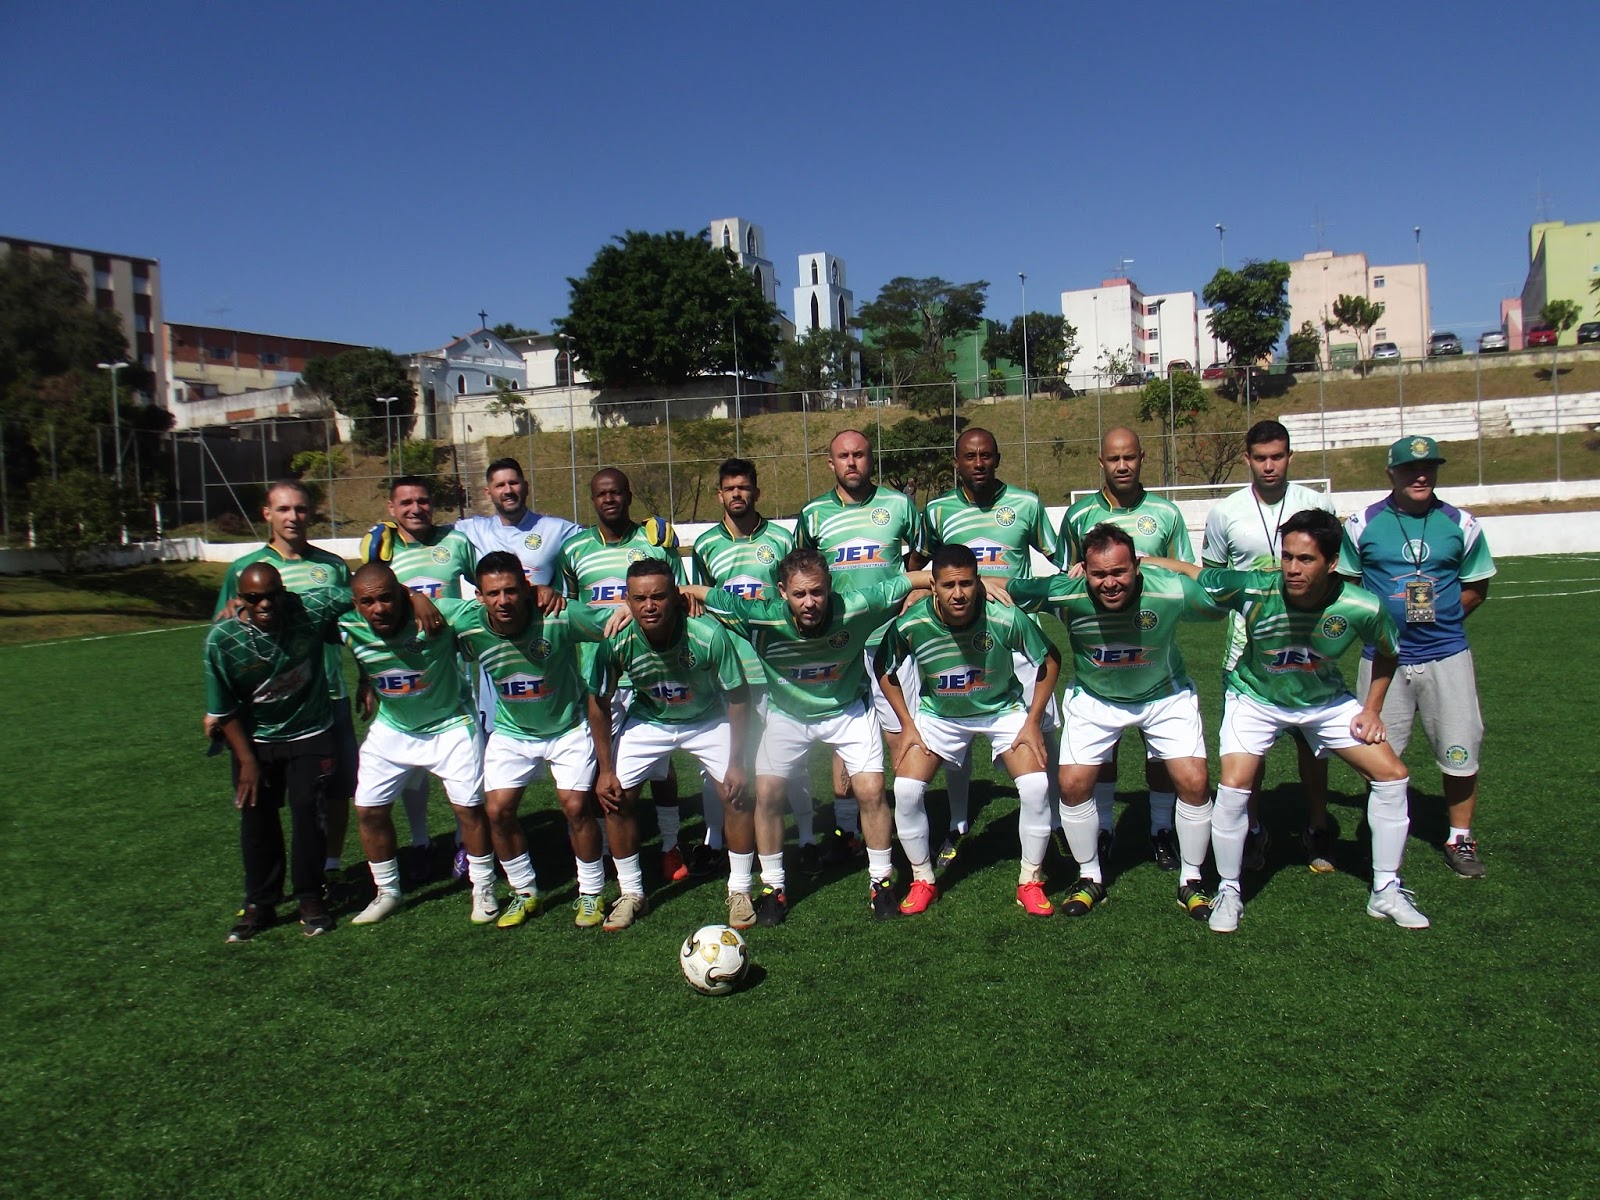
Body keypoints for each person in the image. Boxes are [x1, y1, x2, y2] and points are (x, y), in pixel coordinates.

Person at [1147, 509, 1430, 933]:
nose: (1293, 569)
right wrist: (1142, 561)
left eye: (1306, 559)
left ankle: (1386, 890)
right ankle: (1228, 889)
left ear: (1332, 563)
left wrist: (1371, 709)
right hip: (1255, 697)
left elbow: (1388, 649)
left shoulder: (1361, 605)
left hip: (1325, 700)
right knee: (1233, 786)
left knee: (1392, 776)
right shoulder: (1256, 587)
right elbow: (1196, 573)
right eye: (1288, 557)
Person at [690, 549, 948, 924]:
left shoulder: (857, 606)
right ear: (782, 592)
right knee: (767, 794)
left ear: (829, 587)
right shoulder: (758, 616)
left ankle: (881, 883)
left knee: (872, 790)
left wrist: (959, 584)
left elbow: (913, 579)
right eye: (799, 595)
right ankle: (773, 887)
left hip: (846, 711)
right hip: (788, 715)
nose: (809, 603)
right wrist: (680, 594)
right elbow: (702, 593)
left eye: (817, 592)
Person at [1011, 525, 1225, 921]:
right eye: (1099, 574)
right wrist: (927, 583)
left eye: (1120, 572)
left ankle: (1191, 880)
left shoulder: (1169, 590)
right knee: (1073, 784)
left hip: (1165, 695)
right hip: (1096, 697)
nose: (1110, 584)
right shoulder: (1065, 591)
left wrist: (1166, 563)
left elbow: (1219, 588)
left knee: (1194, 780)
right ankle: (1089, 876)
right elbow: (1002, 585)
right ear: (1084, 571)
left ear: (1137, 568)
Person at [1338, 436, 1496, 877]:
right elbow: (1347, 587)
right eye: (1409, 468)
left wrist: (1442, 617)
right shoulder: (1362, 524)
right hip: (1381, 657)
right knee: (1374, 750)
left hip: (1447, 653)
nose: (1420, 475)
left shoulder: (1461, 524)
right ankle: (1383, 832)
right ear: (1391, 473)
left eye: (1429, 468)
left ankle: (1460, 838)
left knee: (1460, 748)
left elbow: (1477, 587)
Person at [875, 544, 1061, 916]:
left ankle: (1031, 880)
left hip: (1001, 710)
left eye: (966, 583)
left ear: (978, 582)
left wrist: (1032, 721)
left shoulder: (1004, 617)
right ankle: (923, 878)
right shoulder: (911, 623)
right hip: (939, 715)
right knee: (908, 791)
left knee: (1037, 786)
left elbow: (1050, 659)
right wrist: (908, 725)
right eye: (948, 585)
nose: (958, 593)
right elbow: (884, 667)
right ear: (932, 585)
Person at [921, 426, 1063, 870]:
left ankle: (1052, 820)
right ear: (957, 462)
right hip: (959, 639)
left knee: (1044, 729)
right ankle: (959, 824)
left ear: (997, 459)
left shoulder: (1026, 504)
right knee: (958, 730)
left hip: (1016, 638)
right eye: (969, 456)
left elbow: (1060, 563)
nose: (978, 463)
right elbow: (924, 571)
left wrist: (1013, 587)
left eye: (986, 456)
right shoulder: (938, 510)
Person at [1053, 427, 1194, 872]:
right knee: (1103, 751)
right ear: (1101, 462)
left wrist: (1151, 565)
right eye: (1114, 459)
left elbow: (1188, 572)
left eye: (1130, 457)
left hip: (1151, 646)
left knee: (1160, 753)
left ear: (1142, 458)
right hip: (1100, 650)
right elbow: (1065, 577)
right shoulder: (1078, 515)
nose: (1122, 466)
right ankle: (1105, 826)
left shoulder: (1165, 513)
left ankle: (1160, 829)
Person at [446, 552, 612, 929]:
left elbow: (613, 620)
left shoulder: (556, 614)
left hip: (568, 726)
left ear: (525, 588)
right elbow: (405, 599)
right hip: (512, 731)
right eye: (492, 593)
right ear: (478, 596)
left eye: (510, 590)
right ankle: (524, 892)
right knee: (498, 812)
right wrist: (418, 599)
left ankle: (590, 893)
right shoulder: (465, 623)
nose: (502, 600)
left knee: (575, 808)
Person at [1201, 420, 1338, 872]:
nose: (1269, 466)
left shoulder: (1316, 505)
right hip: (1246, 645)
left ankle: (1317, 828)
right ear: (1247, 460)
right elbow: (1214, 578)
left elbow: (1337, 575)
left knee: (1313, 742)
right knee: (1247, 747)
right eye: (1260, 458)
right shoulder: (1227, 512)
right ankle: (1252, 830)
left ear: (1290, 456)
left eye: (1277, 456)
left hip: (1308, 643)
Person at [593, 561, 752, 930]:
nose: (649, 606)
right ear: (627, 602)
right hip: (650, 721)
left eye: (659, 596)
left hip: (706, 719)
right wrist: (605, 770)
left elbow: (739, 696)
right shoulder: (617, 640)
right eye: (640, 598)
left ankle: (741, 889)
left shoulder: (708, 634)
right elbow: (598, 702)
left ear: (677, 597)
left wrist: (738, 761)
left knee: (738, 793)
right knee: (615, 797)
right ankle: (632, 893)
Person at [215, 480, 357, 886]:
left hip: (328, 693)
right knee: (267, 799)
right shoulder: (245, 570)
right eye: (283, 509)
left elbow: (353, 627)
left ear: (311, 513)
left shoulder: (331, 567)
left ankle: (328, 869)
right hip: (265, 707)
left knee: (336, 788)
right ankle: (270, 886)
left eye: (300, 509)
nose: (293, 517)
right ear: (267, 514)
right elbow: (225, 636)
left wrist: (365, 676)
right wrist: (217, 707)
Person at [339, 564, 498, 928]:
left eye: (386, 597)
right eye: (368, 602)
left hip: (451, 724)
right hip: (394, 727)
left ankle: (483, 887)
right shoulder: (346, 623)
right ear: (355, 604)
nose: (378, 608)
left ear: (399, 594)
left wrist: (539, 592)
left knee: (469, 810)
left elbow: (494, 605)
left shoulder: (438, 614)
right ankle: (387, 891)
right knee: (368, 810)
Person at [795, 429, 927, 863]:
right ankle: (847, 830)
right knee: (842, 738)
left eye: (860, 455)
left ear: (872, 460)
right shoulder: (813, 514)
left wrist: (908, 591)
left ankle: (909, 830)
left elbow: (920, 555)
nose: (852, 462)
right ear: (830, 463)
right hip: (838, 646)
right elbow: (804, 571)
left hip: (890, 642)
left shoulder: (899, 505)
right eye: (843, 456)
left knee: (900, 735)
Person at [557, 468, 692, 883]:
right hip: (601, 676)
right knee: (604, 768)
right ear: (592, 499)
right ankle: (608, 852)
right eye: (602, 494)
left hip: (651, 672)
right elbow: (573, 611)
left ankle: (670, 847)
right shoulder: (574, 550)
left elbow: (682, 597)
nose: (609, 500)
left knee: (661, 768)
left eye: (617, 492)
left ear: (629, 496)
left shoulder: (652, 542)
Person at [204, 563, 342, 942]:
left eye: (272, 594)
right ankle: (260, 903)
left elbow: (362, 593)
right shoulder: (223, 639)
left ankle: (311, 897)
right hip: (255, 740)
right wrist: (247, 760)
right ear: (240, 599)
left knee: (307, 809)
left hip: (311, 731)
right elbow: (223, 706)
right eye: (253, 598)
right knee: (256, 818)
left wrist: (413, 597)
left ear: (284, 591)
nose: (265, 604)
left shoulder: (309, 609)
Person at [689, 458, 814, 873]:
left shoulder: (780, 538)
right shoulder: (706, 544)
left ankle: (810, 837)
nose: (737, 494)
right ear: (719, 494)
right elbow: (702, 603)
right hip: (727, 668)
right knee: (726, 759)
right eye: (729, 488)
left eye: (744, 487)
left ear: (756, 492)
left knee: (787, 757)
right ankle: (714, 841)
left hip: (773, 665)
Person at [359, 475, 479, 883]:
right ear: (391, 509)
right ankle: (421, 840)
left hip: (451, 666)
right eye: (406, 502)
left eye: (423, 501)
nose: (416, 509)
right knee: (410, 767)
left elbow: (486, 587)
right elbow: (367, 602)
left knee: (461, 768)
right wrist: (413, 596)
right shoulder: (381, 548)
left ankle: (465, 845)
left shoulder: (456, 543)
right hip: (401, 667)